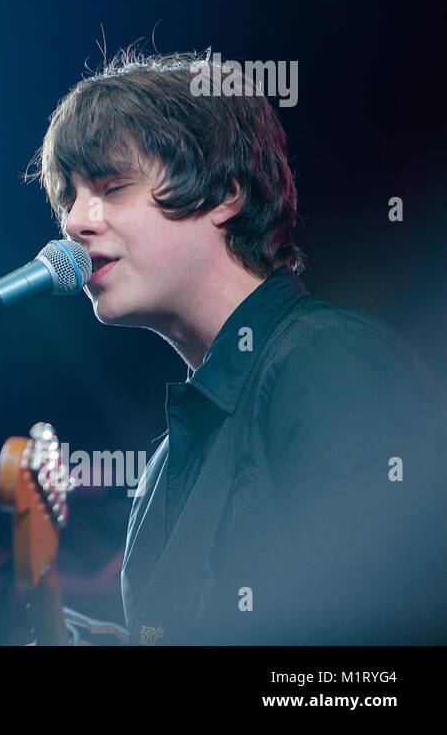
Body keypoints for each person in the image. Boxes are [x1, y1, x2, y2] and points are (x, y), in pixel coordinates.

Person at [24, 48, 447, 644]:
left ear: (226, 191)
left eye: (112, 186)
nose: (75, 220)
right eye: (68, 196)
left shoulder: (329, 365)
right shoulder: (168, 465)